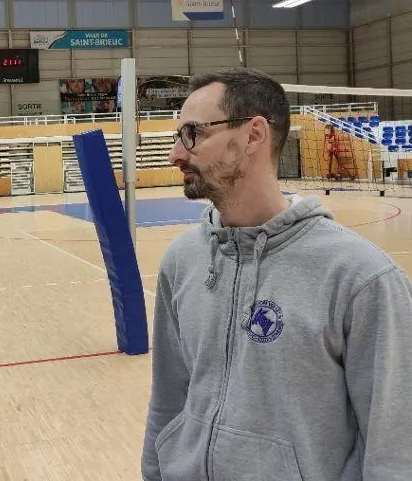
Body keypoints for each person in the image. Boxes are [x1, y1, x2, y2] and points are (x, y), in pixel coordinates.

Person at [141, 68, 412, 480]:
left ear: (253, 135)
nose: (176, 154)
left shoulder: (360, 277)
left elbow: (394, 445)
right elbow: (168, 398)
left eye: (193, 133)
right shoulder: (182, 260)